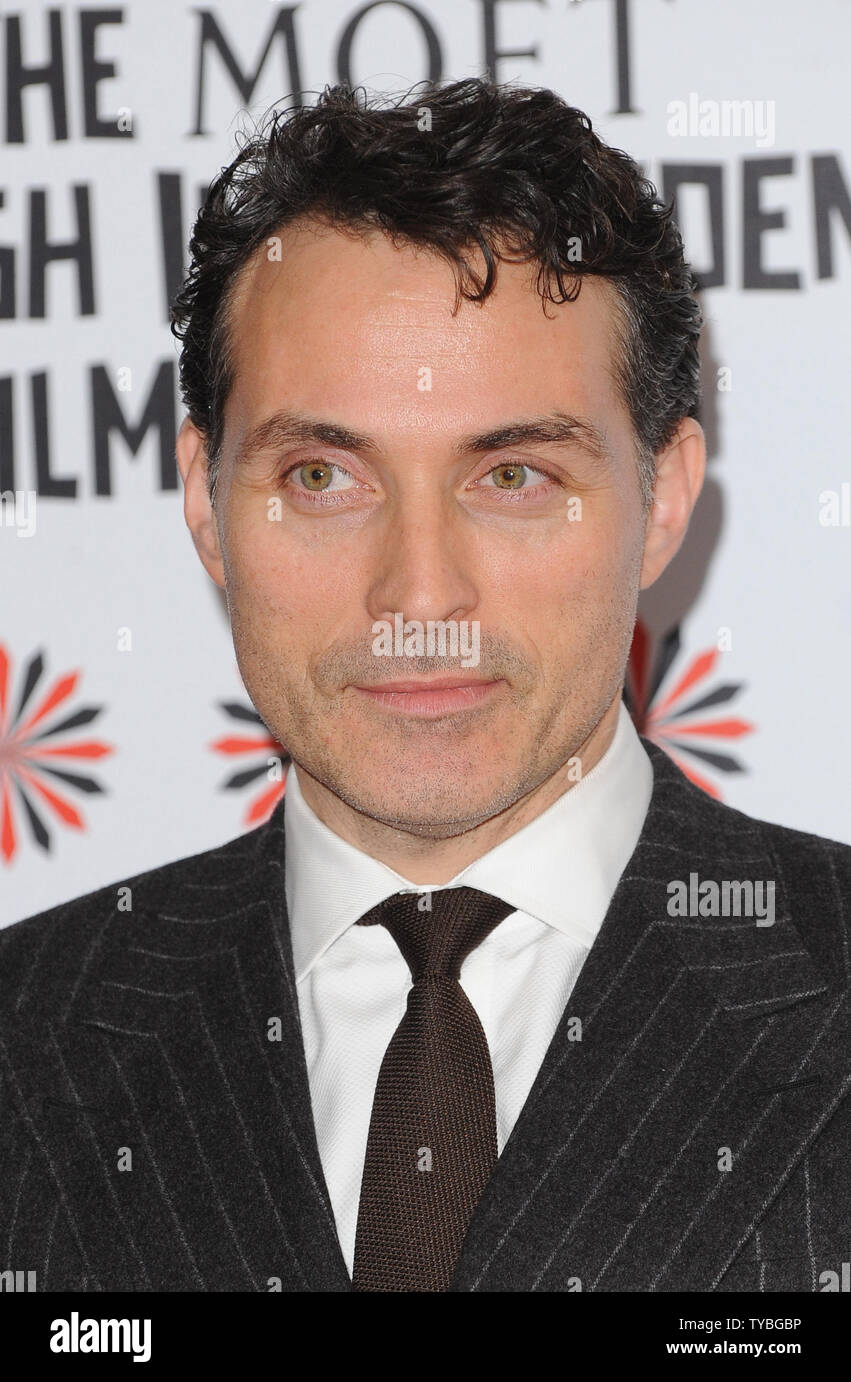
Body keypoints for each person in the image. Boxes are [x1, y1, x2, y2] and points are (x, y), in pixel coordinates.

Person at [1, 78, 848, 1295]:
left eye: (510, 476)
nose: (417, 595)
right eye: (319, 478)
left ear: (660, 499)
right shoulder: (26, 1030)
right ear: (205, 504)